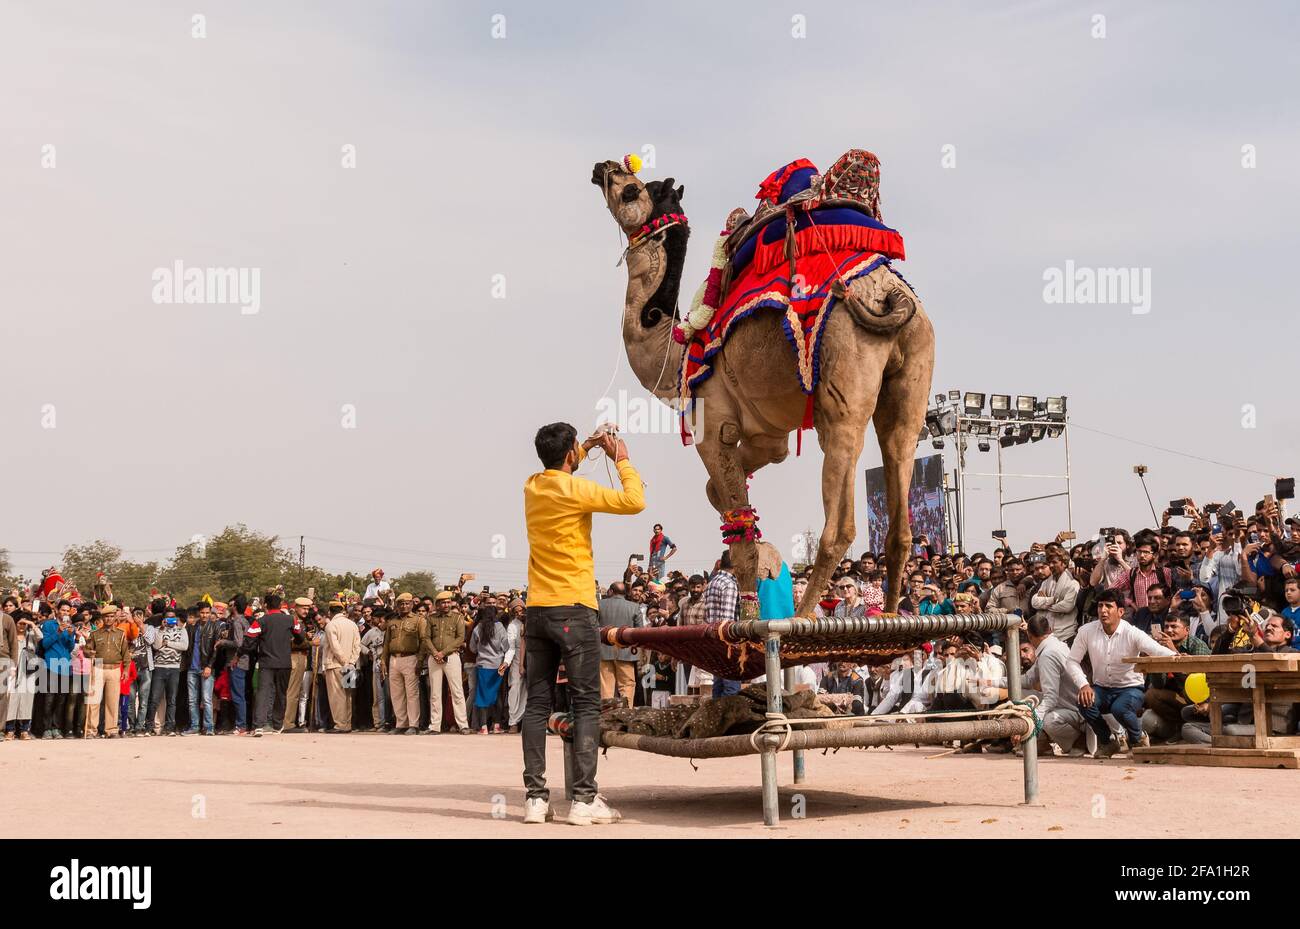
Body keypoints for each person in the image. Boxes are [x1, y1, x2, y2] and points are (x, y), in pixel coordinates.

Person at [520, 421, 643, 826]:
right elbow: (634, 500)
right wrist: (620, 457)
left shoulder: (532, 487)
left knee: (537, 705)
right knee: (586, 703)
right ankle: (583, 800)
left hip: (538, 608)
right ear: (571, 454)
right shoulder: (578, 491)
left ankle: (536, 798)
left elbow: (561, 468)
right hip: (574, 607)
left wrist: (585, 445)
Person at [1066, 589, 1177, 758]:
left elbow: (1156, 650)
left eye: (1108, 606)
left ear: (1120, 611)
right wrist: (1083, 684)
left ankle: (1138, 739)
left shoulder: (1132, 632)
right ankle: (1108, 742)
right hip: (1102, 688)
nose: (1103, 610)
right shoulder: (1086, 631)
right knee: (1084, 702)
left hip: (1130, 688)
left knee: (1120, 708)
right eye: (1100, 606)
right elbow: (1072, 661)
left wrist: (1177, 656)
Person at [1140, 607, 1210, 741]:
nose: (1169, 630)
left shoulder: (1197, 646)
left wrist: (1174, 654)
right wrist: (1156, 657)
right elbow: (1159, 684)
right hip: (1177, 698)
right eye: (1166, 627)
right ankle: (1177, 727)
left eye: (1174, 626)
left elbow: (1198, 683)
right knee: (1151, 695)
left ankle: (1186, 728)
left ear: (1187, 630)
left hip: (1199, 700)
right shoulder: (1161, 647)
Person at [1022, 614, 1085, 755]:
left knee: (1048, 720)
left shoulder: (1048, 654)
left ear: (1030, 636)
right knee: (1021, 694)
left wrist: (1031, 721)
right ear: (1050, 630)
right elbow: (1027, 680)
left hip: (1075, 711)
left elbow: (1051, 698)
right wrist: (992, 681)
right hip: (1069, 708)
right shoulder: (1054, 646)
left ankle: (1080, 742)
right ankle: (1041, 742)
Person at [248, 594, 305, 737]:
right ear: (280, 606)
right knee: (281, 694)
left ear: (265, 605)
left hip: (266, 663)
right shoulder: (291, 619)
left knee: (263, 693)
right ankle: (277, 725)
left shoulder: (260, 621)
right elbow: (301, 636)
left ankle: (259, 726)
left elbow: (249, 639)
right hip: (285, 662)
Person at [424, 590, 469, 734]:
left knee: (457, 691)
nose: (446, 604)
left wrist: (443, 652)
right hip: (434, 658)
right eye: (443, 602)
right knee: (435, 693)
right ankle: (435, 726)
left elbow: (460, 638)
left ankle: (463, 724)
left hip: (452, 657)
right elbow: (426, 638)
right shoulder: (431, 618)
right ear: (437, 604)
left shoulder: (457, 617)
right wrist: (435, 653)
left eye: (448, 602)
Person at [81, 607, 130, 739]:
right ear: (102, 618)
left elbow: (126, 654)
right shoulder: (95, 634)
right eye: (106, 617)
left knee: (112, 701)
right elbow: (86, 650)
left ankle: (111, 730)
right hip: (98, 667)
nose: (108, 619)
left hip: (114, 669)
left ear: (115, 618)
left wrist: (125, 670)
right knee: (94, 701)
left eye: (111, 616)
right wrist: (88, 652)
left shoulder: (121, 634)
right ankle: (91, 730)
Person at [382, 592, 425, 735]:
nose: (404, 606)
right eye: (401, 604)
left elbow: (423, 642)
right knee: (396, 694)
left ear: (412, 604)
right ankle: (401, 723)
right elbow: (386, 643)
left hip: (410, 658)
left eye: (407, 603)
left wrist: (419, 661)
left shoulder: (419, 620)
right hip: (394, 659)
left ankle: (414, 724)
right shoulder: (392, 621)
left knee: (412, 693)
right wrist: (383, 660)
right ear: (397, 606)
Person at [146, 606, 189, 736]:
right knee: (154, 699)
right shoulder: (157, 630)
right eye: (168, 617)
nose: (170, 619)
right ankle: (149, 727)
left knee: (172, 700)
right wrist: (162, 630)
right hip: (159, 667)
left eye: (172, 617)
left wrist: (168, 643)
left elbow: (184, 646)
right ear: (164, 618)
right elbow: (156, 646)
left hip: (174, 668)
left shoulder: (182, 631)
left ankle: (170, 727)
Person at [598, 582, 642, 706]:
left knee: (606, 688)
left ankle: (606, 717)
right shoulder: (634, 607)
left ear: (610, 591)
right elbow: (640, 631)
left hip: (604, 651)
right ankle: (626, 715)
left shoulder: (599, 605)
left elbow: (593, 627)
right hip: (626, 653)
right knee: (627, 686)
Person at [468, 606, 510, 733]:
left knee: (482, 695)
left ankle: (483, 727)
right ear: (495, 614)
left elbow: (472, 648)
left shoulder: (478, 628)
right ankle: (497, 726)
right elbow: (505, 646)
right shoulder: (500, 627)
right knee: (497, 695)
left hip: (483, 666)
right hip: (498, 666)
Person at [706, 551, 742, 697]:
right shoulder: (729, 584)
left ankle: (716, 716)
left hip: (714, 639)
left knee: (719, 685)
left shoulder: (713, 581)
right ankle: (729, 718)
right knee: (731, 688)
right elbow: (727, 621)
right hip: (727, 642)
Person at [321, 601, 361, 733]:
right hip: (350, 665)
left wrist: (344, 661)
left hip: (335, 665)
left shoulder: (331, 625)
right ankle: (347, 724)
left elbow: (335, 646)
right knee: (348, 695)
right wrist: (351, 662)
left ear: (330, 612)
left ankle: (340, 725)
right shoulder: (353, 624)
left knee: (337, 695)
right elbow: (357, 646)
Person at [1030, 551, 1079, 644]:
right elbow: (1034, 602)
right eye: (1050, 563)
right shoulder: (1046, 583)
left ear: (1064, 563)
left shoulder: (1073, 583)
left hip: (1066, 635)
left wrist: (1044, 604)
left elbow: (1067, 606)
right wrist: (1052, 600)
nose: (1051, 565)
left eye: (1054, 562)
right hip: (1048, 636)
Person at [283, 597, 313, 732]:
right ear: (296, 607)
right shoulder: (292, 621)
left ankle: (289, 721)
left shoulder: (302, 621)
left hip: (301, 657)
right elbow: (290, 642)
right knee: (292, 692)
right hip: (295, 657)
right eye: (303, 608)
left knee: (295, 693)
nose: (306, 611)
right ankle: (287, 723)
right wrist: (311, 643)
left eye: (308, 608)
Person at [504, 599, 527, 732]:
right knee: (515, 690)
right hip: (517, 659)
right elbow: (511, 648)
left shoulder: (531, 622)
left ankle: (523, 720)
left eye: (521, 610)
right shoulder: (512, 626)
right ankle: (513, 722)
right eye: (516, 611)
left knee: (527, 693)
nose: (520, 613)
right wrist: (506, 663)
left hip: (532, 658)